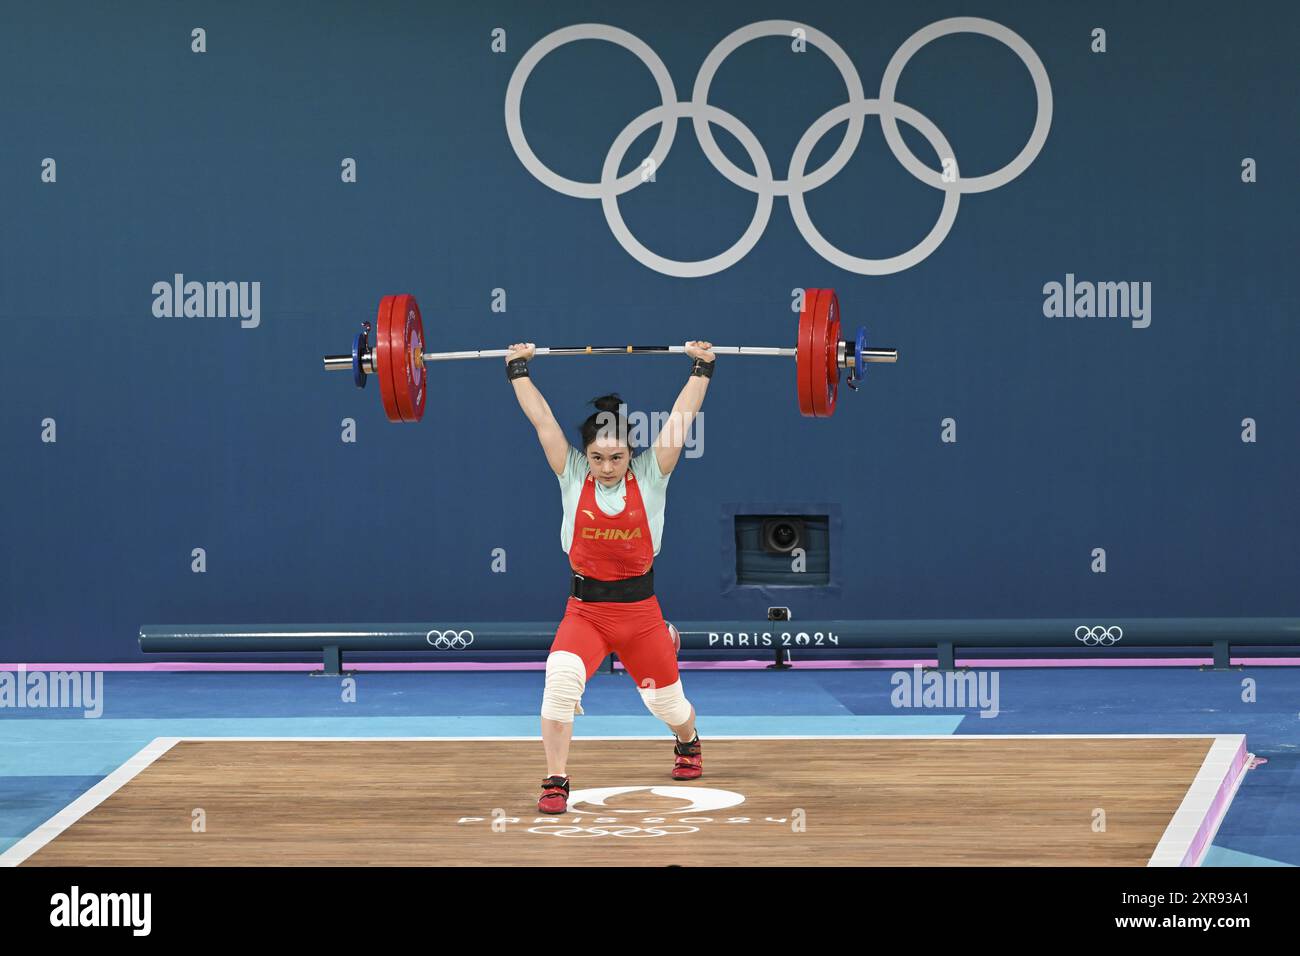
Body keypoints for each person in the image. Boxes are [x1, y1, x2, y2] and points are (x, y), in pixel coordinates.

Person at [505, 340, 715, 814]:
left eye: (615, 458)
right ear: (585, 455)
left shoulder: (654, 471)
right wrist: (517, 369)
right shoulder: (571, 472)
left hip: (641, 614)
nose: (605, 468)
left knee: (669, 708)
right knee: (559, 680)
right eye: (597, 458)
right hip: (586, 612)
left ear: (630, 453)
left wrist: (702, 368)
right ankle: (556, 778)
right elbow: (542, 421)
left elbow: (680, 420)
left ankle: (689, 741)